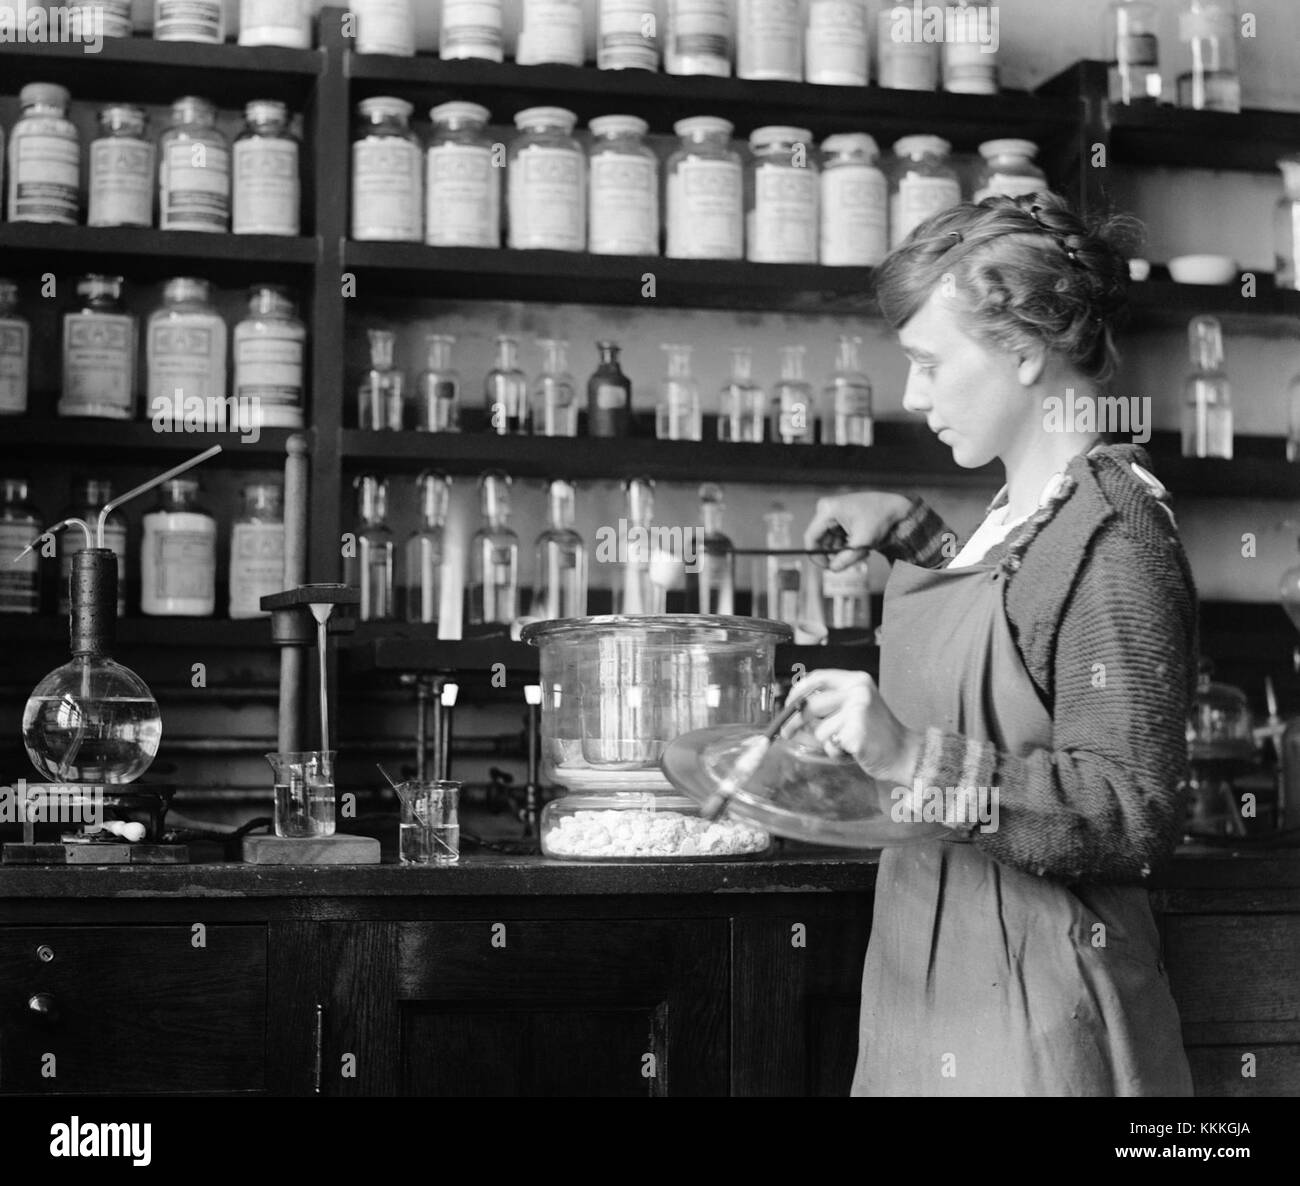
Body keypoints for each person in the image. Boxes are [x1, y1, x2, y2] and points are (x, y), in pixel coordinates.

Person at [786, 191, 1196, 1096]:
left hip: (1040, 1010)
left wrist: (905, 753)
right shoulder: (1029, 512)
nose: (911, 395)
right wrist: (913, 532)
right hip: (930, 980)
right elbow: (1014, 627)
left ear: (1021, 352)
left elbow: (1132, 814)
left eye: (929, 364)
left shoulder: (1117, 536)